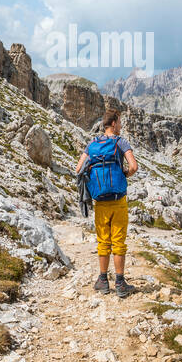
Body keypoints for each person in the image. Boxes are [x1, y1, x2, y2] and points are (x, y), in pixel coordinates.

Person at [75, 108, 139, 297]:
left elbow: (79, 169)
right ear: (113, 123)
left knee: (103, 241)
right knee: (118, 241)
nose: (120, 126)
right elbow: (134, 166)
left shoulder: (92, 144)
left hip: (100, 201)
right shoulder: (121, 142)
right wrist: (125, 174)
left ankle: (102, 280)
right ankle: (120, 283)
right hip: (118, 201)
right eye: (119, 122)